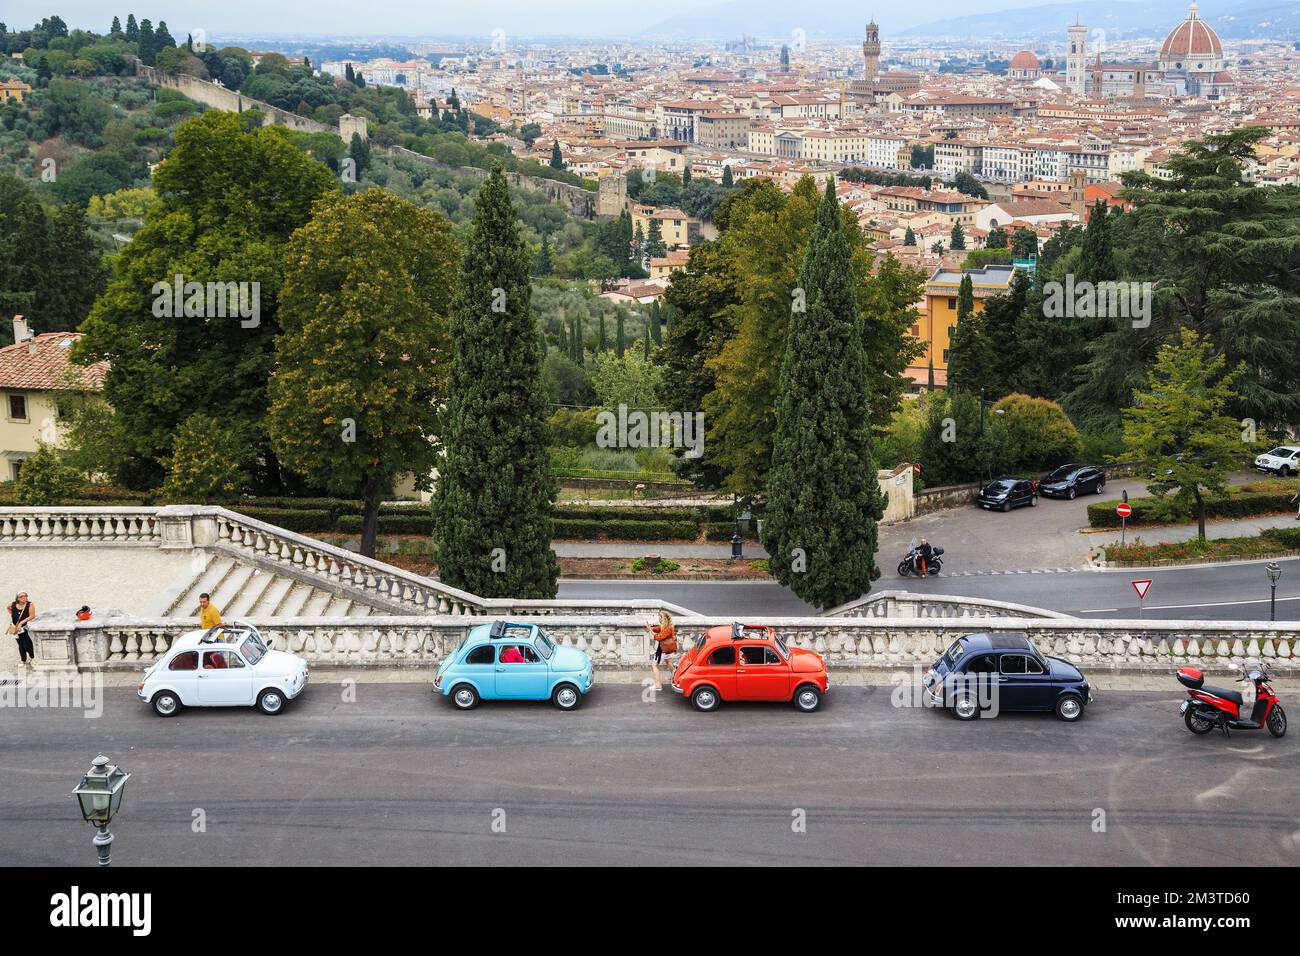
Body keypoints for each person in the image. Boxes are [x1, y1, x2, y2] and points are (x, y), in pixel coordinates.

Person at [647, 610, 677, 691]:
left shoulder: (668, 628)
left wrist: (650, 630)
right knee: (668, 661)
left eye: (660, 617)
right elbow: (658, 629)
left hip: (663, 650)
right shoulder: (667, 626)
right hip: (668, 649)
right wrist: (651, 627)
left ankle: (658, 685)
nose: (659, 619)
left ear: (663, 618)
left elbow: (658, 637)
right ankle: (676, 678)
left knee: (654, 665)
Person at [7, 592, 35, 667]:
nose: (24, 597)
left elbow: (32, 616)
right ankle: (23, 660)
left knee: (27, 644)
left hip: (24, 627)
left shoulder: (30, 604)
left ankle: (33, 658)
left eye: (25, 596)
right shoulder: (13, 604)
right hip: (14, 627)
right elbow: (8, 608)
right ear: (17, 598)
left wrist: (21, 622)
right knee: (20, 644)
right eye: (21, 596)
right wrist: (13, 615)